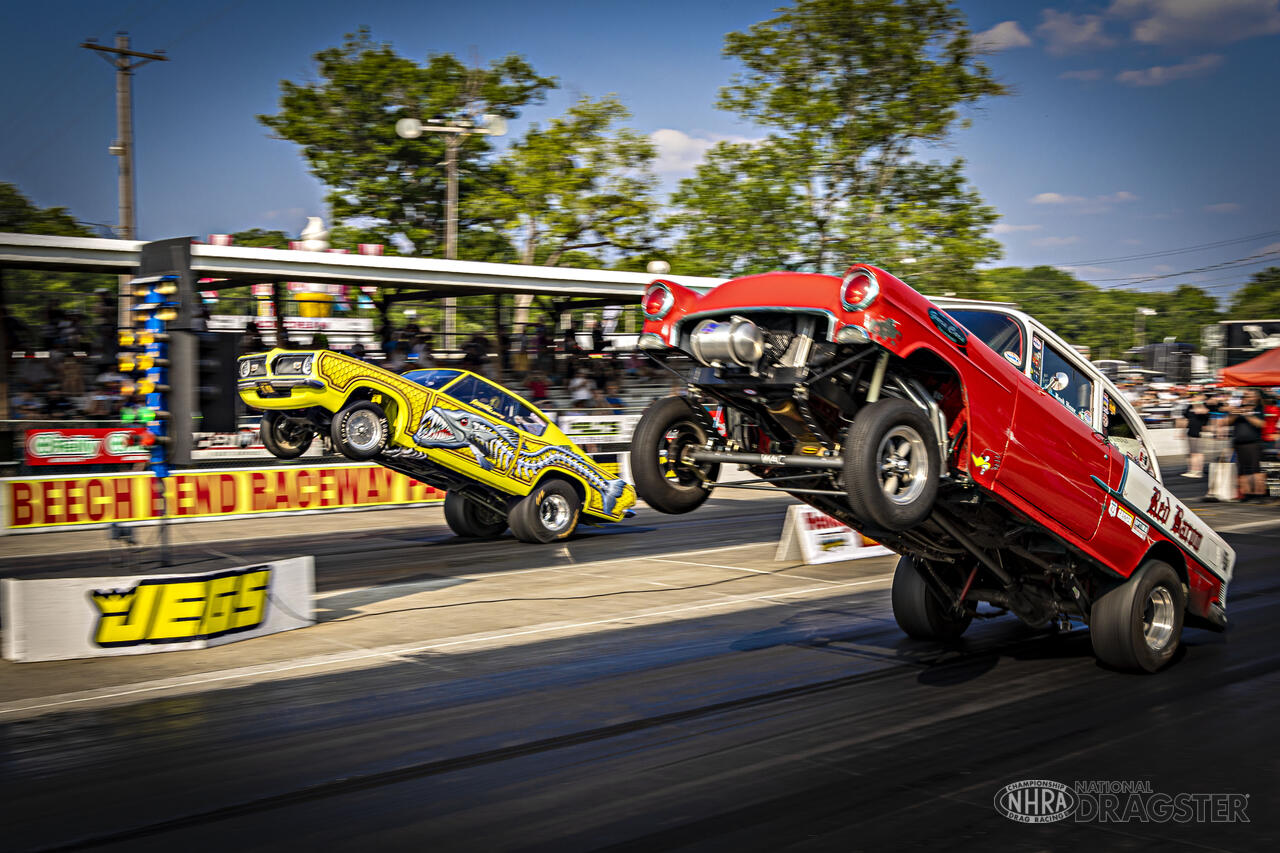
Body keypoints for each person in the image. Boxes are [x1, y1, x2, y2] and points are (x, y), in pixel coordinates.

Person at [1225, 387, 1268, 501]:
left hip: (1253, 443)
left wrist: (1248, 415)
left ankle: (1259, 494)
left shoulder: (1259, 409)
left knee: (1256, 469)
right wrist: (1234, 413)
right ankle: (1247, 493)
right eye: (1244, 396)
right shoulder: (1238, 408)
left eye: (1248, 396)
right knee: (1243, 470)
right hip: (1239, 443)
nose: (1245, 398)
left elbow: (1262, 424)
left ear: (1256, 397)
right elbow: (1227, 422)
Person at [1178, 391, 1218, 478]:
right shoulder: (1189, 407)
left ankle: (1197, 471)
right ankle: (1192, 470)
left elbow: (1201, 411)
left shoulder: (1203, 405)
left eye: (1194, 397)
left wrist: (1198, 402)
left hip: (1199, 432)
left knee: (1197, 453)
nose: (1192, 399)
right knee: (1192, 453)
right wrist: (1182, 431)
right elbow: (1186, 419)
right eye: (1192, 397)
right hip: (1191, 431)